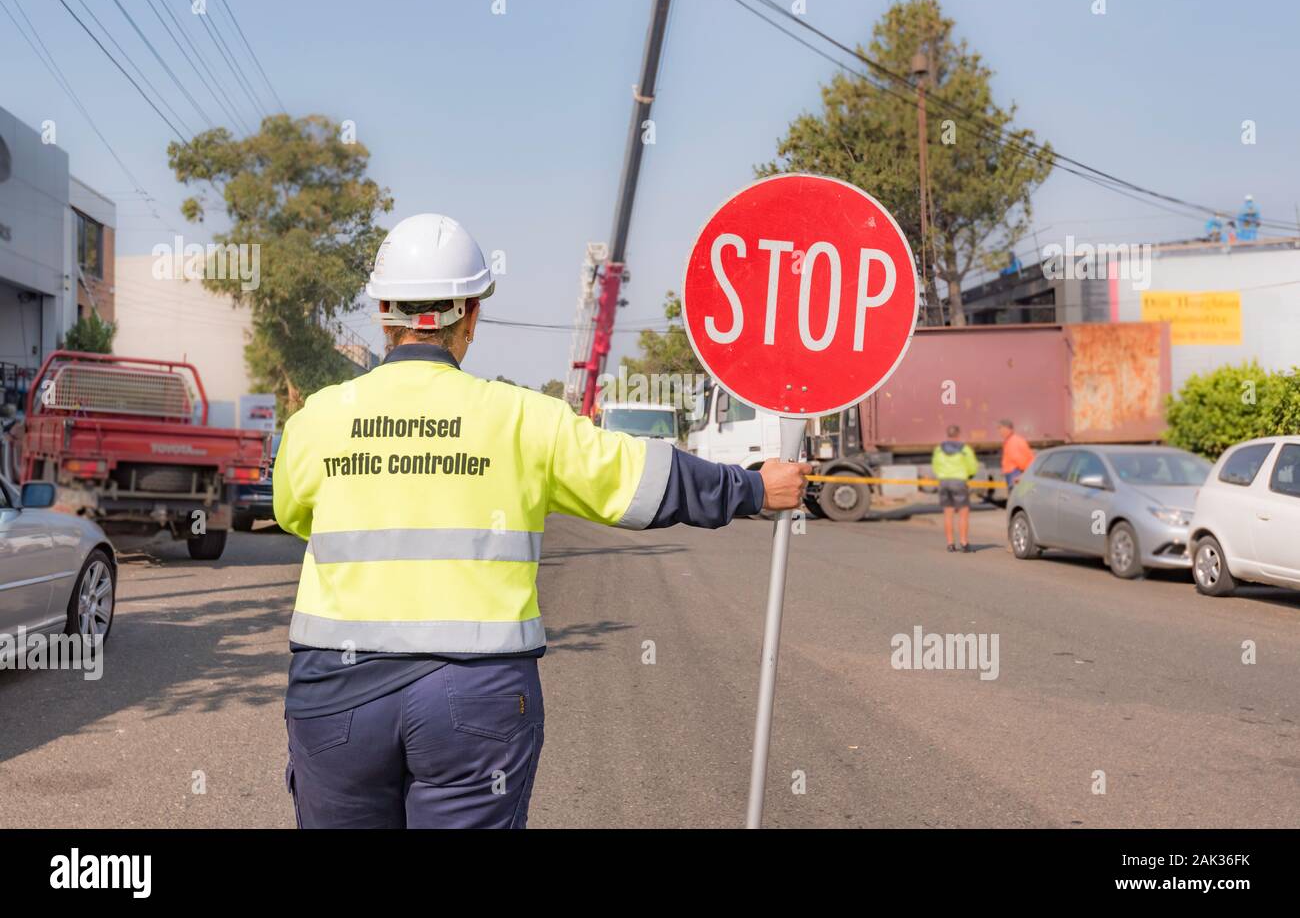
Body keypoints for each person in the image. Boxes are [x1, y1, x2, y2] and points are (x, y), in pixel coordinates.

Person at [272, 213, 811, 829]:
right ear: (470, 316)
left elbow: (293, 514)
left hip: (337, 697)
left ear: (383, 313)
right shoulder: (525, 418)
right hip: (474, 697)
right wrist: (752, 488)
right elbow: (643, 482)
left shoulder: (318, 418)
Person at [931, 424, 978, 553]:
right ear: (958, 435)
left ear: (947, 434)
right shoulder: (965, 449)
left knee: (948, 514)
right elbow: (972, 466)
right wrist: (969, 475)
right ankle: (963, 542)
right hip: (959, 482)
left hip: (944, 482)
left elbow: (935, 466)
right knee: (963, 513)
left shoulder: (939, 449)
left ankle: (950, 544)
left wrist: (942, 475)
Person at [997, 419, 1034, 488]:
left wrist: (1022, 474)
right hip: (1014, 472)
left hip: (1016, 473)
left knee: (1016, 496)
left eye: (1000, 428)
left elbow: (1019, 459)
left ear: (1006, 429)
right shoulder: (1011, 440)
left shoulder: (1013, 442)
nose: (999, 431)